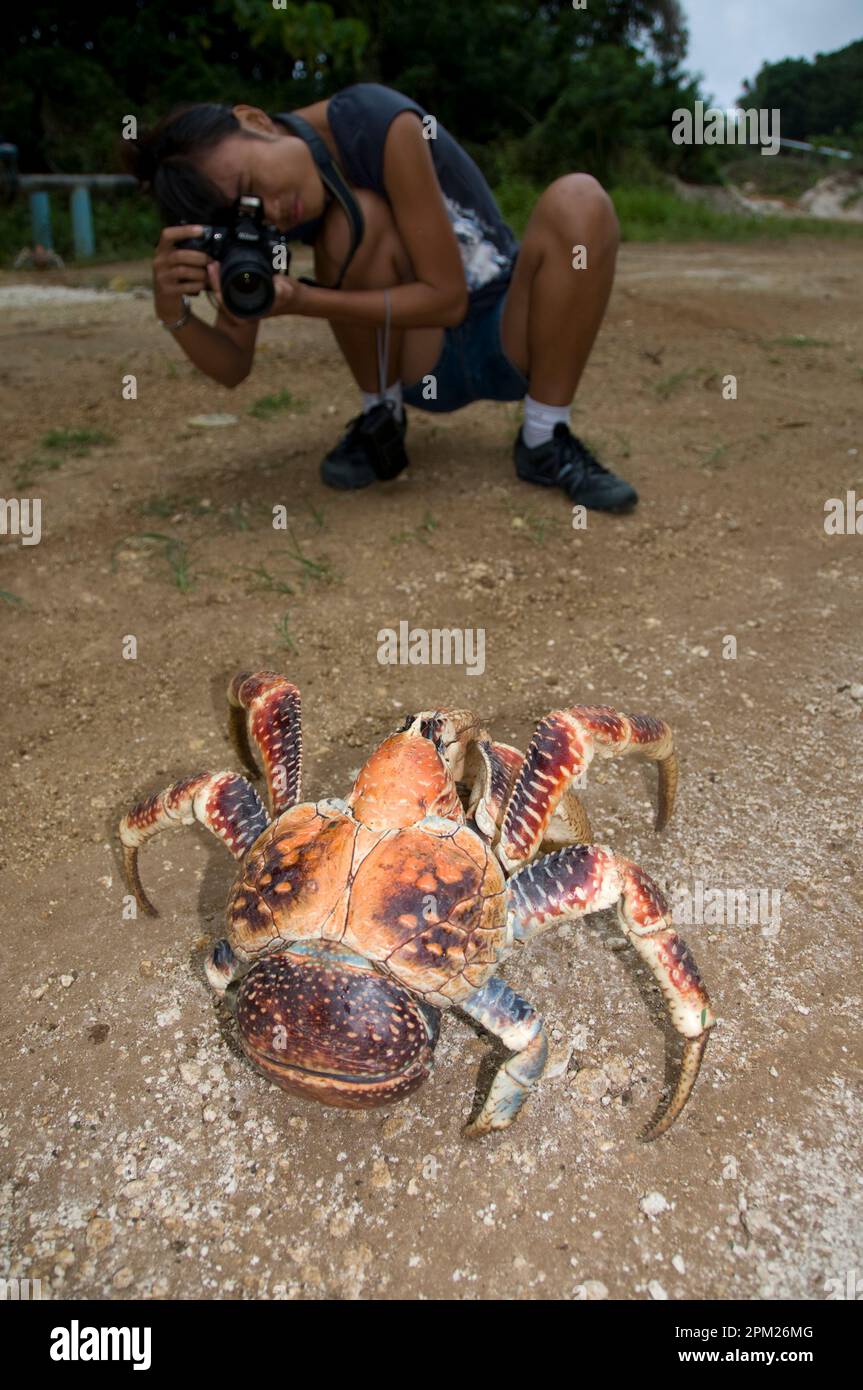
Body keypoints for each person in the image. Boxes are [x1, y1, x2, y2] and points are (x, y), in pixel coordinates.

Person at [126, 83, 636, 511]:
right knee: (352, 220)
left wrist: (305, 300)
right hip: (419, 357)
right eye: (247, 213)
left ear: (255, 120)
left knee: (580, 199)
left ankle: (546, 438)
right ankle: (381, 418)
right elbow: (233, 364)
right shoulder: (251, 220)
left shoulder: (375, 121)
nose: (274, 211)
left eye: (253, 185)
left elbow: (448, 300)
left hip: (510, 336)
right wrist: (174, 313)